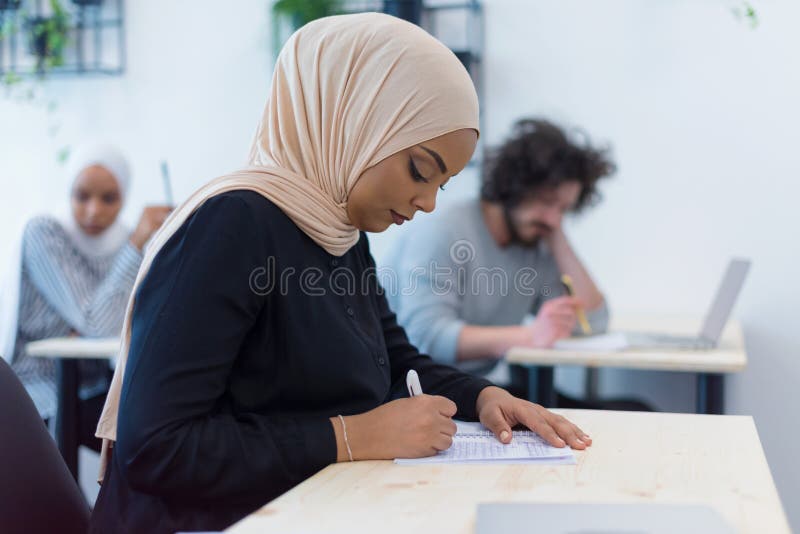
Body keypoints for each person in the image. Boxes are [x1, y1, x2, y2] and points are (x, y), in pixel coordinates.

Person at [89, 14, 592, 534]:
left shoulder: (338, 231)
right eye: (421, 170)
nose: (426, 202)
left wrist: (487, 397)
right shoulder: (233, 225)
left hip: (308, 510)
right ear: (355, 122)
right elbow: (157, 448)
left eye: (443, 184)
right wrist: (351, 437)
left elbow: (396, 363)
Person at [383, 118, 627, 403]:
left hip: (475, 389)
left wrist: (557, 235)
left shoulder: (536, 241)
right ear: (514, 186)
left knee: (633, 409)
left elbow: (592, 322)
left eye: (564, 208)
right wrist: (530, 336)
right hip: (422, 392)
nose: (553, 217)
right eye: (547, 201)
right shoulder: (445, 230)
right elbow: (428, 337)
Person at [0, 146, 171, 445]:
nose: (94, 210)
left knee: (165, 421)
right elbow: (99, 322)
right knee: (140, 437)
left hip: (94, 384)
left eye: (109, 199)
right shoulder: (44, 232)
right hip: (35, 388)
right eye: (82, 196)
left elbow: (130, 319)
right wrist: (136, 243)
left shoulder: (120, 241)